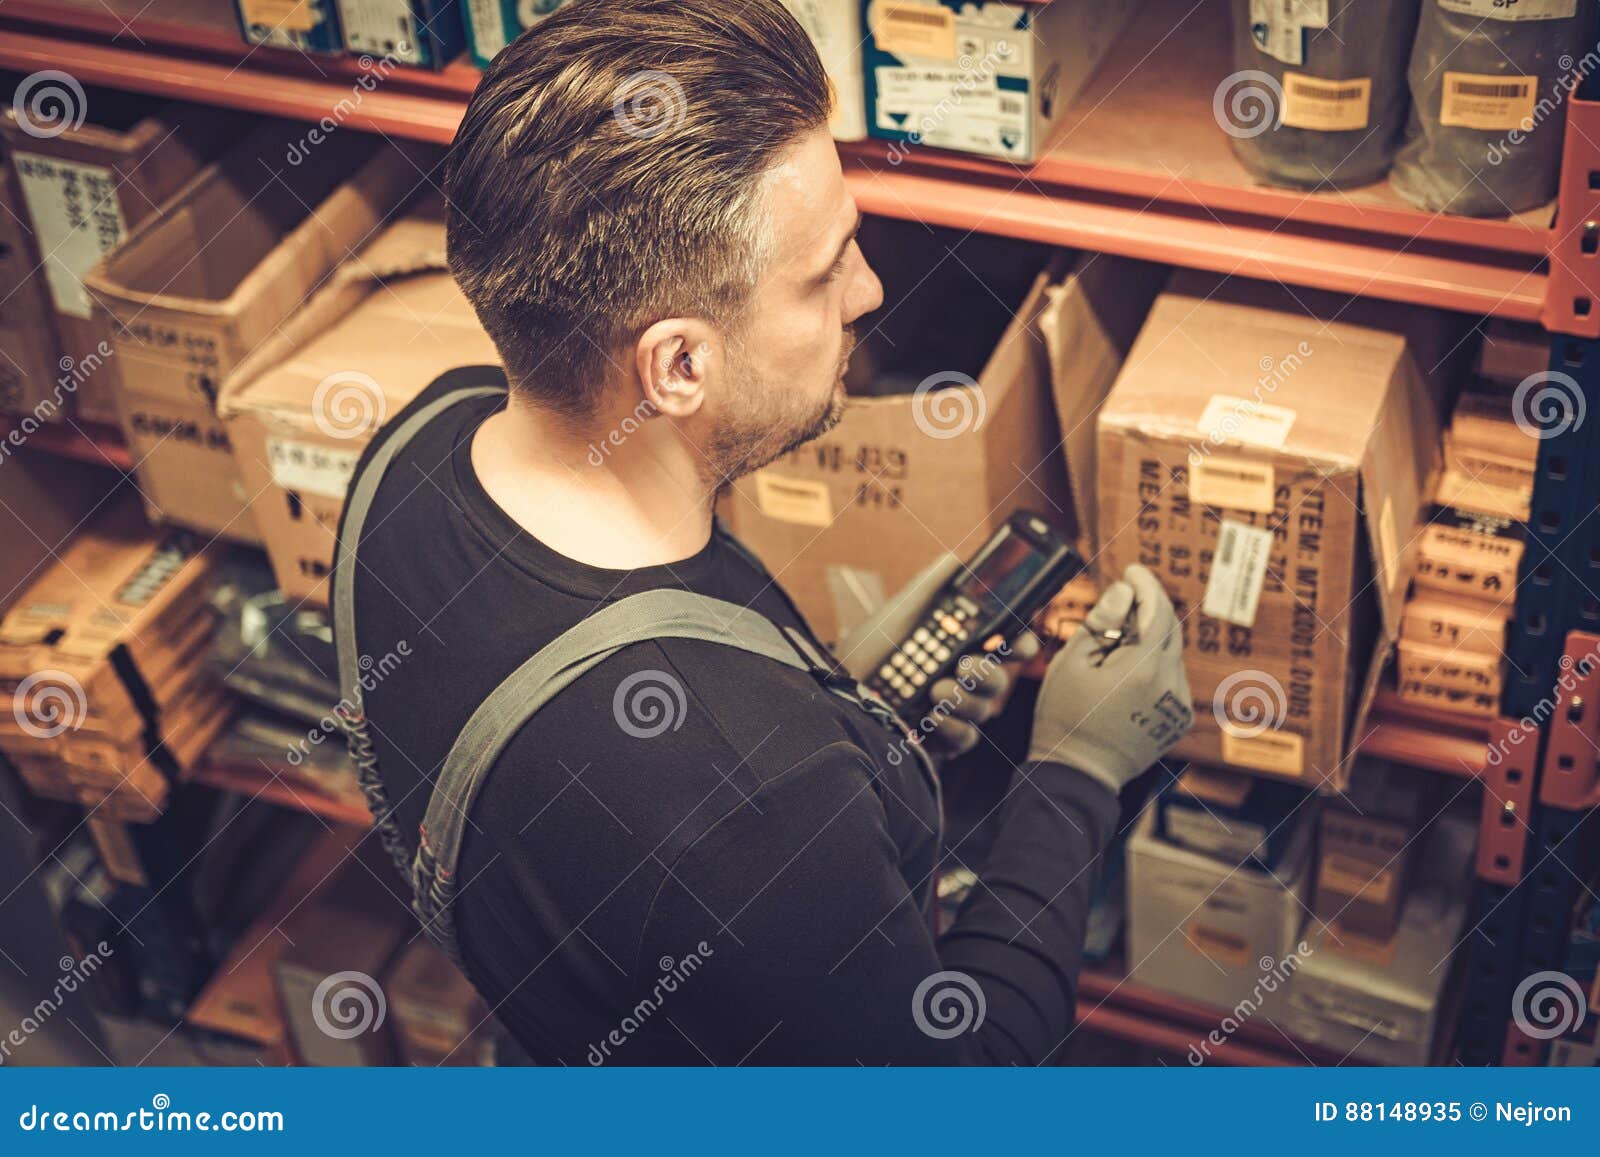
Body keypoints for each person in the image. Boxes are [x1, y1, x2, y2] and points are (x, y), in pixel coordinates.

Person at [336, 0, 1192, 1065]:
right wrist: (1076, 769)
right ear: (678, 365)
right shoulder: (757, 808)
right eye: (825, 270)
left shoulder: (419, 441)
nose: (868, 290)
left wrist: (837, 708)